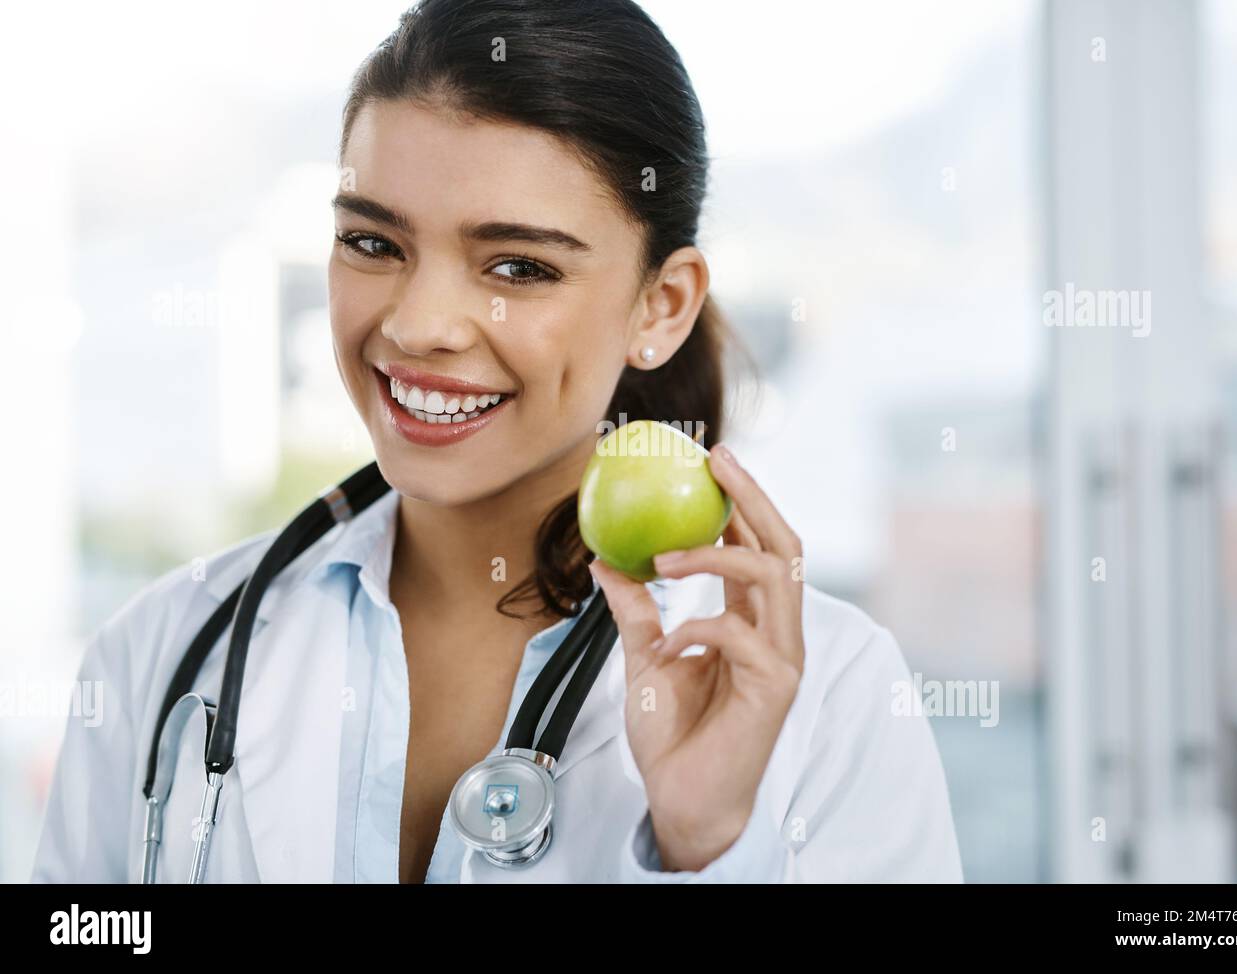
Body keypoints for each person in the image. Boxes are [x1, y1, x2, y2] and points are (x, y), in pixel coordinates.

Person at [31, 0, 962, 883]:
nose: (421, 324)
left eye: (518, 266)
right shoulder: (161, 652)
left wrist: (708, 847)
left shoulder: (833, 698)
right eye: (374, 244)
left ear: (660, 305)